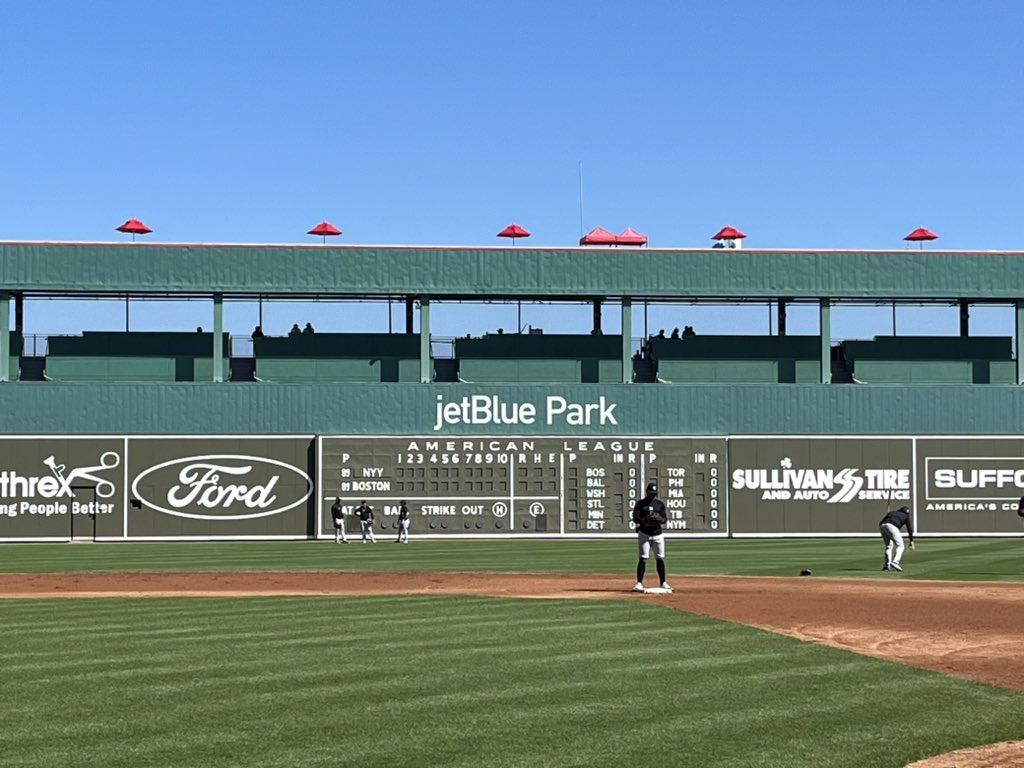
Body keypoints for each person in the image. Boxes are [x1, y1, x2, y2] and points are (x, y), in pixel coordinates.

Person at [631, 481, 671, 593]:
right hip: (644, 534)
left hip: (658, 534)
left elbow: (664, 519)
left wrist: (659, 519)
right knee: (643, 559)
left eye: (654, 493)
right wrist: (645, 520)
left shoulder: (659, 504)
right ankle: (639, 583)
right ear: (646, 492)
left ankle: (663, 582)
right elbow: (635, 518)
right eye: (650, 493)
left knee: (660, 558)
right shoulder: (640, 504)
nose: (652, 495)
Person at [879, 505, 915, 571]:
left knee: (888, 546)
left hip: (882, 526)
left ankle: (886, 566)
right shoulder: (906, 516)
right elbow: (909, 529)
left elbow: (881, 522)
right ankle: (895, 562)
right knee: (901, 546)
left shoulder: (892, 513)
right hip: (892, 526)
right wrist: (911, 541)